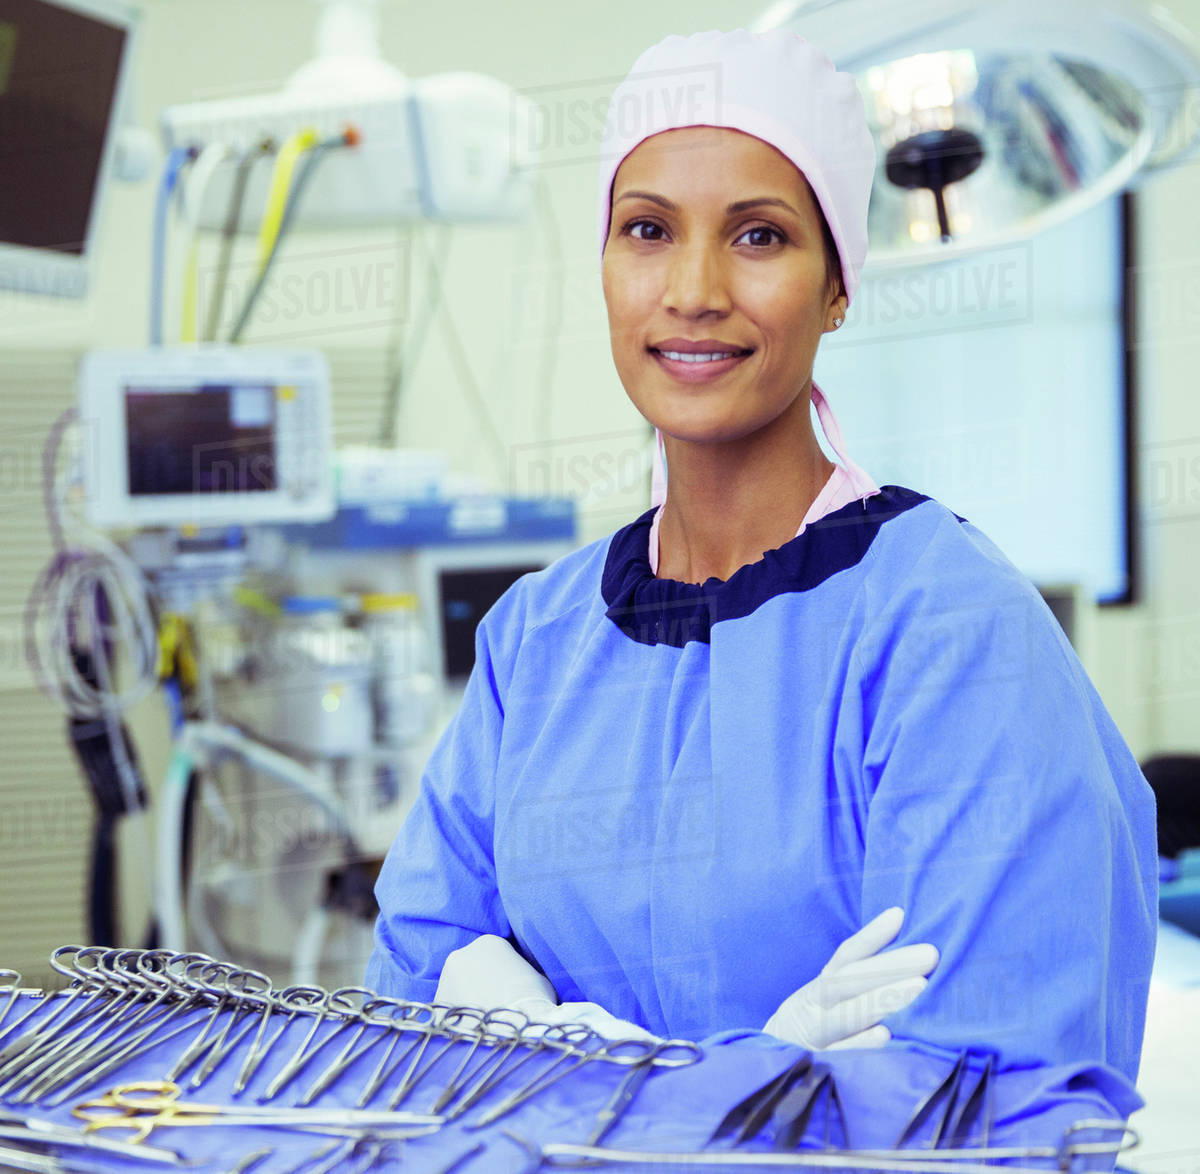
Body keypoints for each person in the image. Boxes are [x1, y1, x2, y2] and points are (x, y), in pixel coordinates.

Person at [366, 27, 1157, 1134]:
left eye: (759, 236)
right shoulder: (533, 644)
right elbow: (409, 1012)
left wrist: (618, 1084)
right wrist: (750, 1085)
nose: (692, 290)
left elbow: (1004, 1105)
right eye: (646, 229)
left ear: (837, 285)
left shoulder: (947, 627)